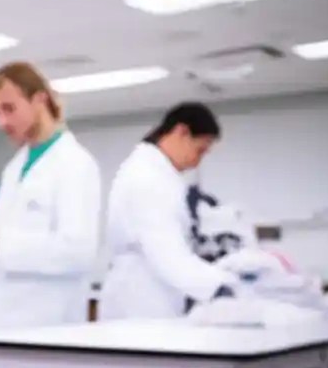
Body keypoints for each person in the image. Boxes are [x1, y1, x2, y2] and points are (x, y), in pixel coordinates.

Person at [0, 61, 102, 331]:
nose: (2, 122)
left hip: (46, 325)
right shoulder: (15, 167)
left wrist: (0, 240)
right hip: (1, 320)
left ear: (40, 100)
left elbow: (77, 253)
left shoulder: (75, 164)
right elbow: (4, 245)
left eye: (9, 109)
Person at [98, 102, 237, 320]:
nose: (197, 161)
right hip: (141, 299)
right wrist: (222, 286)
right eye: (199, 150)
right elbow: (167, 254)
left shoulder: (157, 174)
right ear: (181, 132)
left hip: (148, 292)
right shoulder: (148, 178)